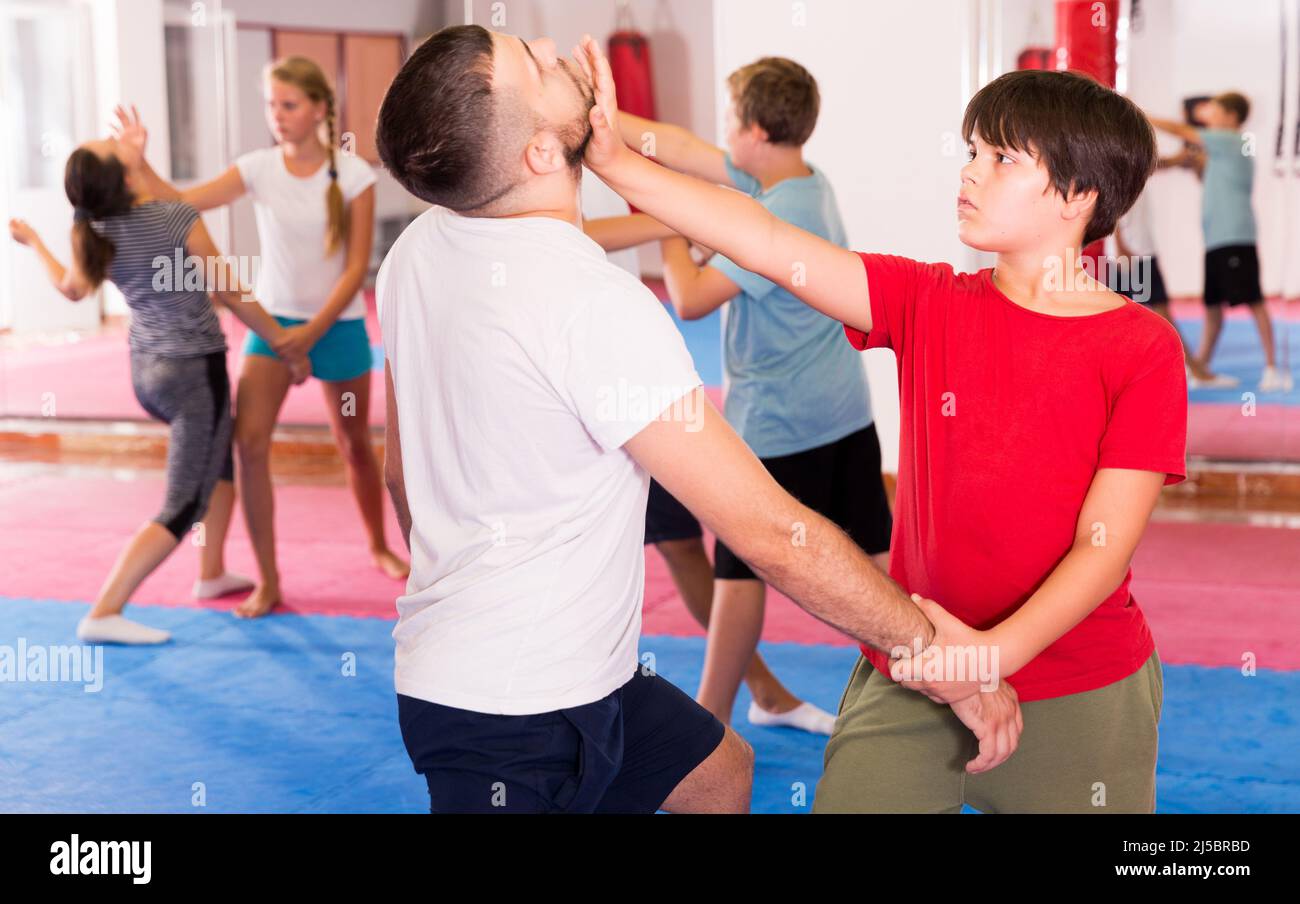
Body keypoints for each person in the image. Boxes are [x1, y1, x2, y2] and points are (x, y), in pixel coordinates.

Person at [373, 25, 1021, 814]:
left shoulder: (420, 247)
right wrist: (932, 654)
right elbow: (774, 535)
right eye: (534, 62)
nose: (550, 44)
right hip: (508, 710)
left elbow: (399, 473)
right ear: (542, 154)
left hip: (566, 677)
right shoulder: (595, 308)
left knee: (717, 774)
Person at [582, 40, 1185, 812]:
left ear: (1076, 197)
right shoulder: (927, 300)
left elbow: (1105, 547)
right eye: (972, 150)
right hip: (920, 658)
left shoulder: (1139, 346)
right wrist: (616, 163)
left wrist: (991, 656)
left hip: (1079, 676)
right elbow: (762, 238)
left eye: (1000, 159)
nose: (968, 170)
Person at [609, 57, 891, 735]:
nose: (722, 133)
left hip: (783, 424)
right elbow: (676, 146)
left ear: (758, 130)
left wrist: (670, 224)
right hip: (844, 412)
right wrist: (597, 119)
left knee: (739, 574)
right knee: (879, 567)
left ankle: (710, 725)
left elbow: (692, 298)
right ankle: (909, 693)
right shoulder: (794, 179)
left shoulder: (785, 212)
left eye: (731, 121)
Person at [117, 56, 410, 618]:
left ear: (320, 108)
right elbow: (181, 204)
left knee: (354, 445)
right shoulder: (256, 167)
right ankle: (270, 580)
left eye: (289, 105)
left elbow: (355, 271)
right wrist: (139, 160)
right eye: (270, 105)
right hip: (271, 329)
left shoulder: (354, 176)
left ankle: (377, 544)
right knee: (249, 446)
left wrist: (308, 337)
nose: (277, 116)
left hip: (337, 324)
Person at [8, 135, 308, 644]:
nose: (121, 145)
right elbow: (229, 290)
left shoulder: (93, 227)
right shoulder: (174, 217)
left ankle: (211, 572)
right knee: (182, 504)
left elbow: (73, 289)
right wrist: (284, 344)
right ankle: (104, 609)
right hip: (193, 374)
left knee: (220, 465)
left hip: (147, 372)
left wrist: (35, 242)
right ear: (124, 178)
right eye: (115, 148)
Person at [1149, 92, 1293, 392]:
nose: (1208, 114)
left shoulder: (1230, 140)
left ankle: (1273, 368)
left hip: (1235, 237)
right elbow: (1196, 168)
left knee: (1253, 300)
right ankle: (1202, 368)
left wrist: (1139, 115)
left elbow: (1182, 130)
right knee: (1212, 306)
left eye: (1214, 110)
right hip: (1216, 239)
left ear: (1230, 116)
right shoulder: (1219, 149)